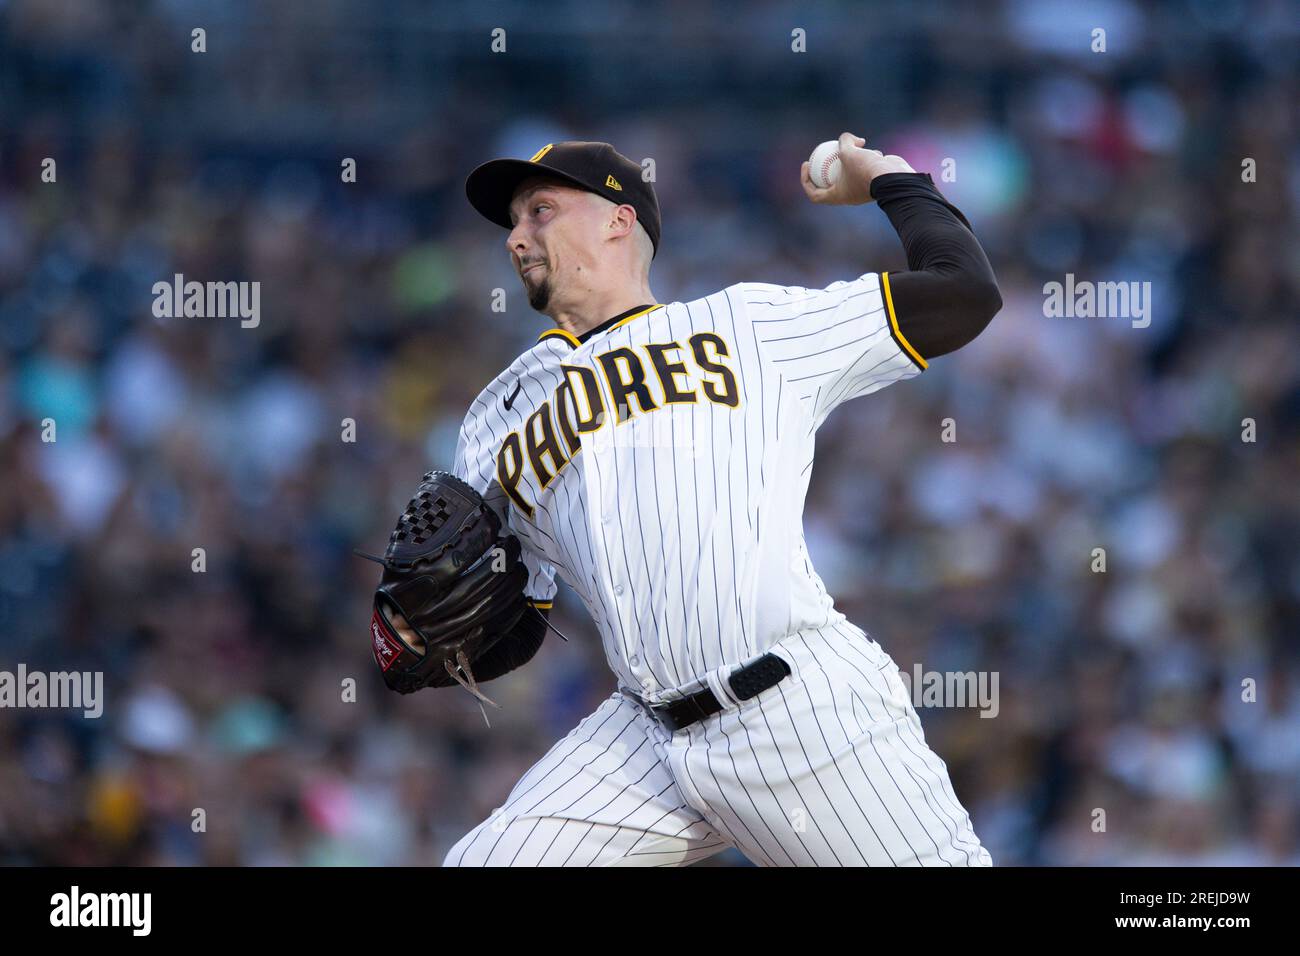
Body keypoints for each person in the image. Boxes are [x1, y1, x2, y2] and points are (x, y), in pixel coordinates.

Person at [424, 134, 1000, 865]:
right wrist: (432, 635)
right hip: (644, 739)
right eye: (512, 221)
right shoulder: (498, 416)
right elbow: (515, 623)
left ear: (617, 220)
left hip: (798, 712)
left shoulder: (749, 326)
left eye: (540, 210)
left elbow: (964, 292)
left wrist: (889, 177)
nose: (516, 236)